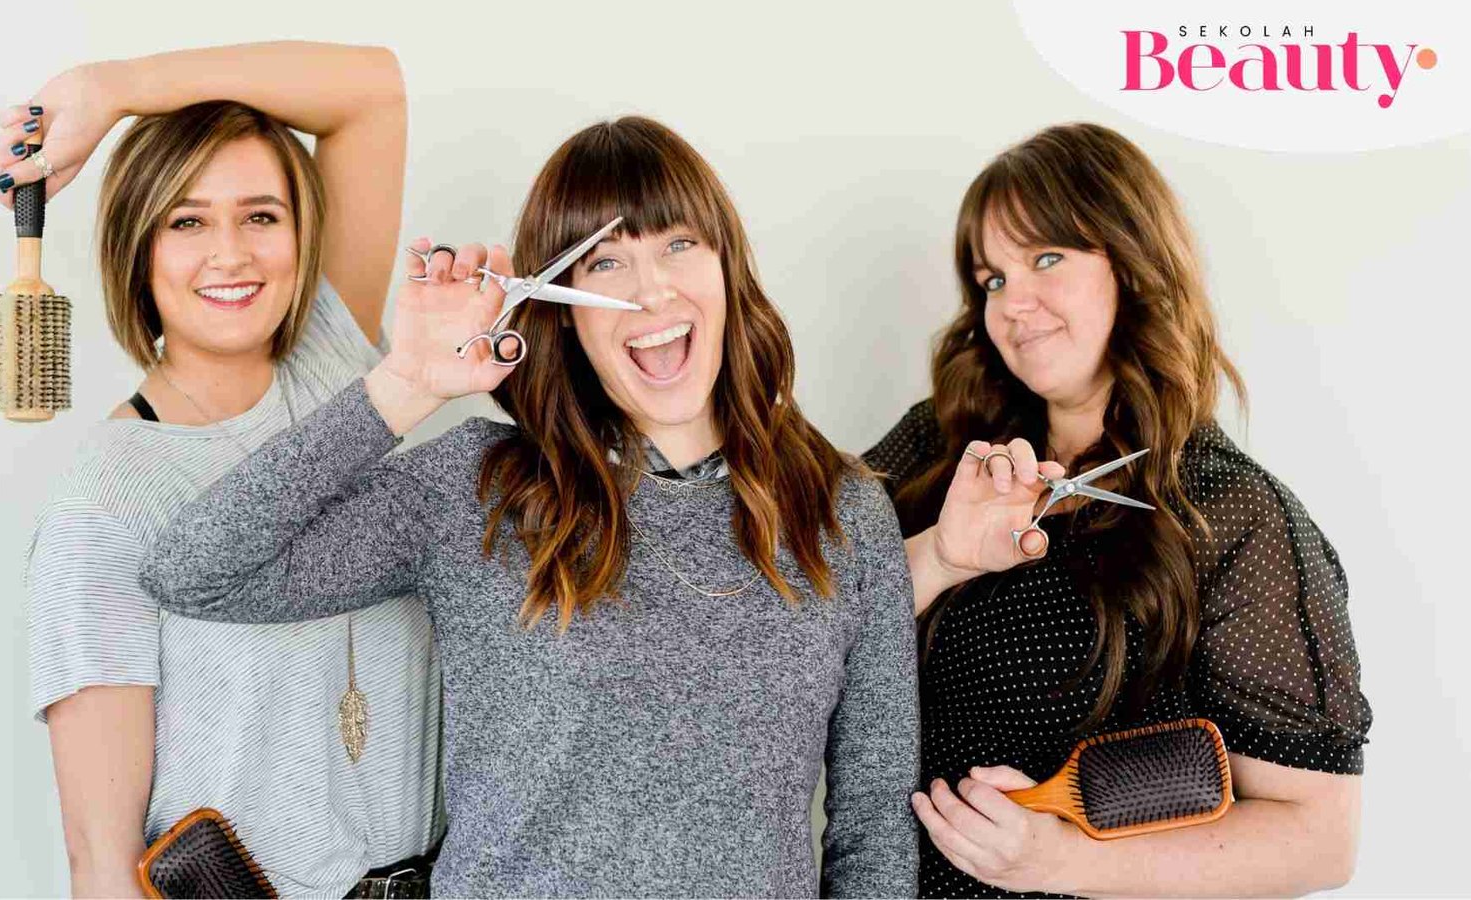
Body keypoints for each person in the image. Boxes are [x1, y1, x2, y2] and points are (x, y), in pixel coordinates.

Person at [139, 116, 919, 897]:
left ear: (728, 268)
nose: (652, 290)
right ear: (565, 307)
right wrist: (406, 382)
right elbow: (195, 572)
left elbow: (875, 831)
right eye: (605, 261)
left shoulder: (842, 513)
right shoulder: (482, 487)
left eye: (680, 244)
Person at [863, 122, 1372, 898]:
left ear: (1132, 266)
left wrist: (1058, 860)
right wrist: (938, 555)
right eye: (991, 279)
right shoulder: (938, 451)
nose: (1012, 304)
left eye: (1046, 258)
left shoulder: (1230, 514)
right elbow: (791, 620)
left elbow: (1317, 838)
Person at [8, 42, 444, 896]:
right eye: (187, 221)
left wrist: (114, 91)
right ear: (139, 249)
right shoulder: (107, 501)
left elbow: (372, 92)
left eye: (260, 216)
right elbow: (101, 867)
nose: (231, 255)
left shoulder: (334, 371)